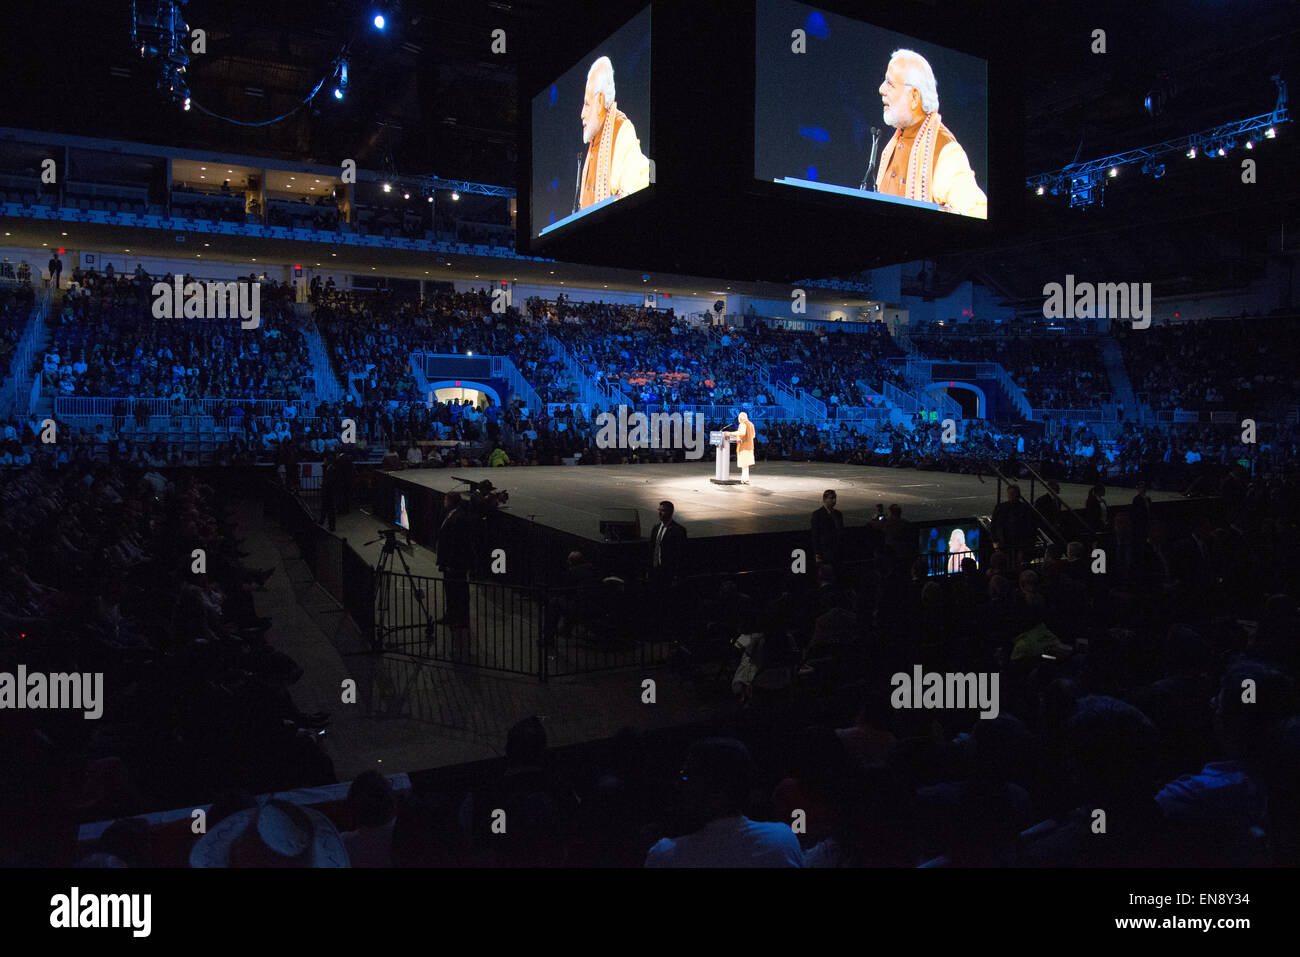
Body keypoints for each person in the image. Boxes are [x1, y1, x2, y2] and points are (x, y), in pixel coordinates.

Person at [645, 738, 805, 867]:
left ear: (715, 789)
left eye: (686, 777)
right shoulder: (782, 839)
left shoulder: (665, 856)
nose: (679, 785)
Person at [875, 49, 987, 218]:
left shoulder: (944, 149)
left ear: (914, 97)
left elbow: (978, 210)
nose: (881, 89)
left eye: (890, 83)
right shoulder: (895, 140)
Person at [578, 56, 651, 210]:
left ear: (599, 102)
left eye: (587, 104)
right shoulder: (594, 140)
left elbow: (642, 180)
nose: (582, 114)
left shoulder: (621, 130)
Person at [435, 492, 474, 629]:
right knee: (450, 590)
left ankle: (461, 619)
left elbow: (458, 543)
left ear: (451, 501)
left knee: (459, 591)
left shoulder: (459, 518)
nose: (444, 502)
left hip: (456, 563)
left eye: (445, 499)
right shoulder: (451, 514)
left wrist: (451, 562)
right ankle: (451, 615)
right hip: (448, 562)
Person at [991, 484, 1036, 567]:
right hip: (1004, 543)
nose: (1012, 496)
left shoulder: (1025, 509)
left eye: (1013, 493)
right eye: (1010, 494)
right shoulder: (1001, 507)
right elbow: (994, 525)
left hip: (1018, 543)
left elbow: (1030, 527)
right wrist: (995, 540)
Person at [648, 500, 687, 586]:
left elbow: (680, 553)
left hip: (668, 572)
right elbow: (652, 549)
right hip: (655, 571)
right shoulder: (656, 528)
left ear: (670, 512)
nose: (660, 513)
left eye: (663, 511)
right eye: (659, 510)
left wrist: (676, 575)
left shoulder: (678, 530)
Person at [811, 489, 846, 569]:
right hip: (825, 551)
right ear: (824, 499)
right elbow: (815, 535)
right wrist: (817, 553)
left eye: (835, 498)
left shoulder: (838, 514)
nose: (834, 500)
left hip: (837, 551)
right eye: (831, 498)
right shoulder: (817, 515)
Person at [727, 411, 757, 484]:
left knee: (744, 464)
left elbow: (742, 433)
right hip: (750, 446)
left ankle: (745, 479)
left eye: (739, 418)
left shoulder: (743, 424)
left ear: (740, 418)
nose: (738, 420)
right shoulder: (751, 424)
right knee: (746, 464)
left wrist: (730, 433)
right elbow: (753, 435)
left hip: (744, 447)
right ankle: (744, 478)